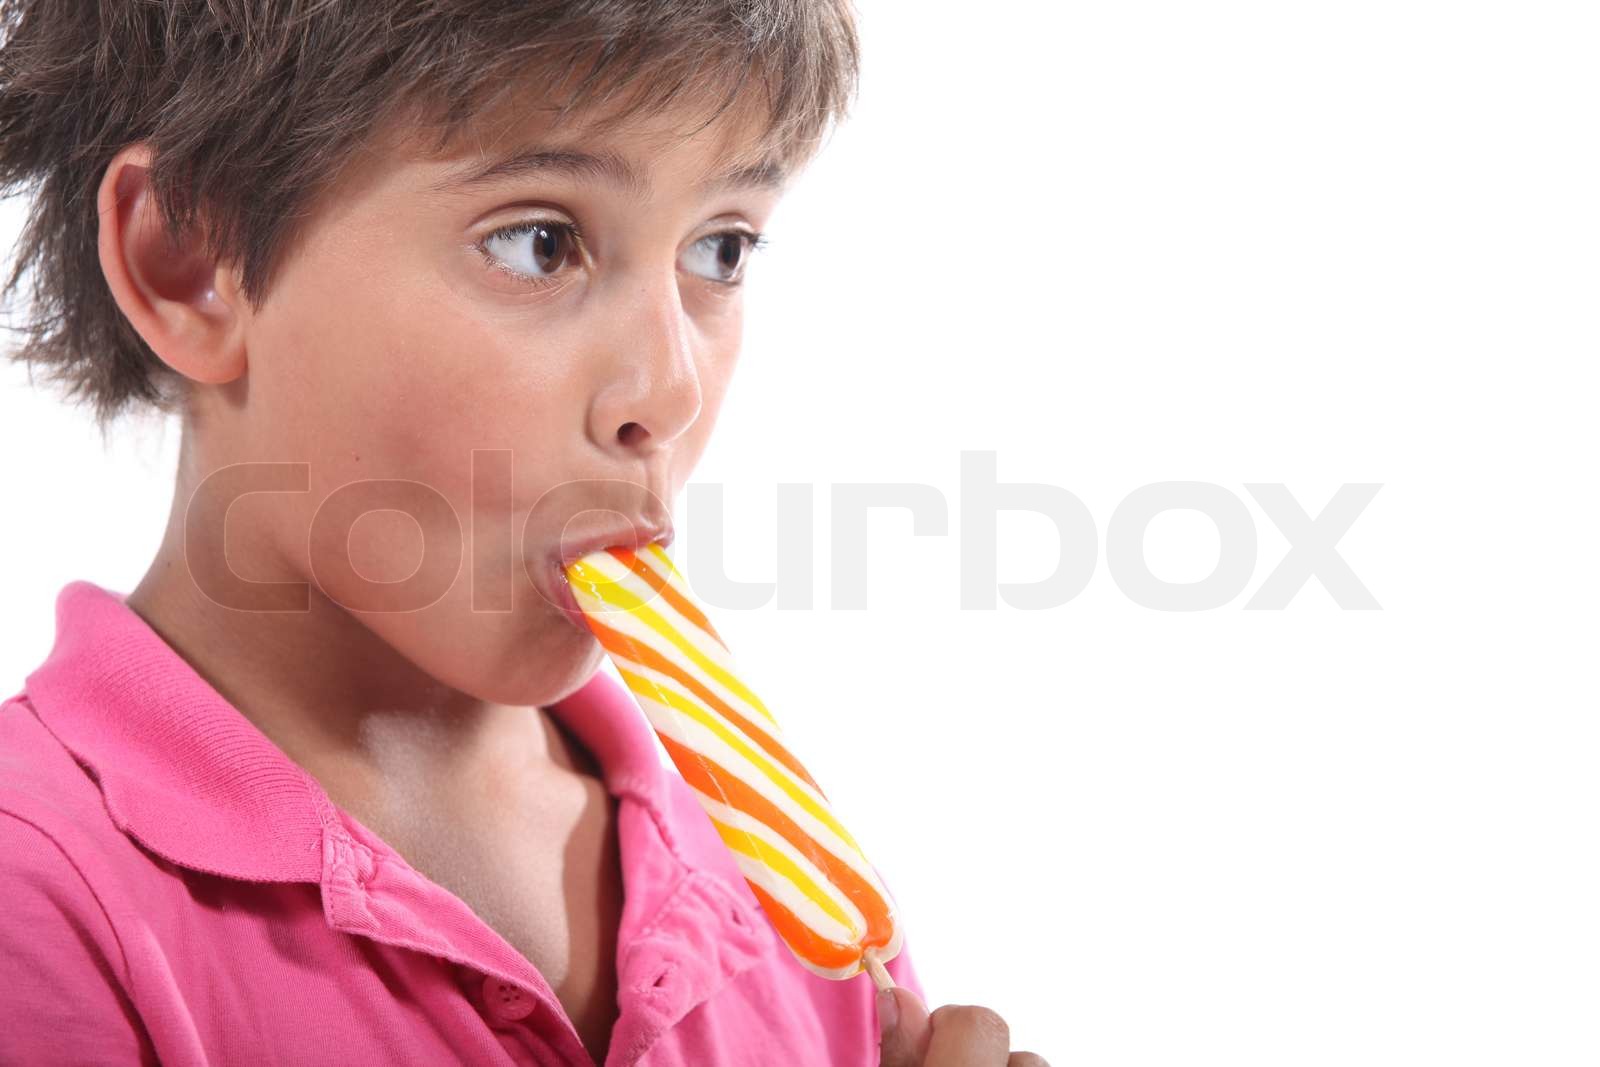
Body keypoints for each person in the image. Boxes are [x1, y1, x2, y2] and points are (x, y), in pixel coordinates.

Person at [0, 2, 1047, 1064]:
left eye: (719, 250)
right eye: (540, 243)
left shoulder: (775, 884)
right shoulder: (38, 904)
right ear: (187, 257)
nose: (667, 389)